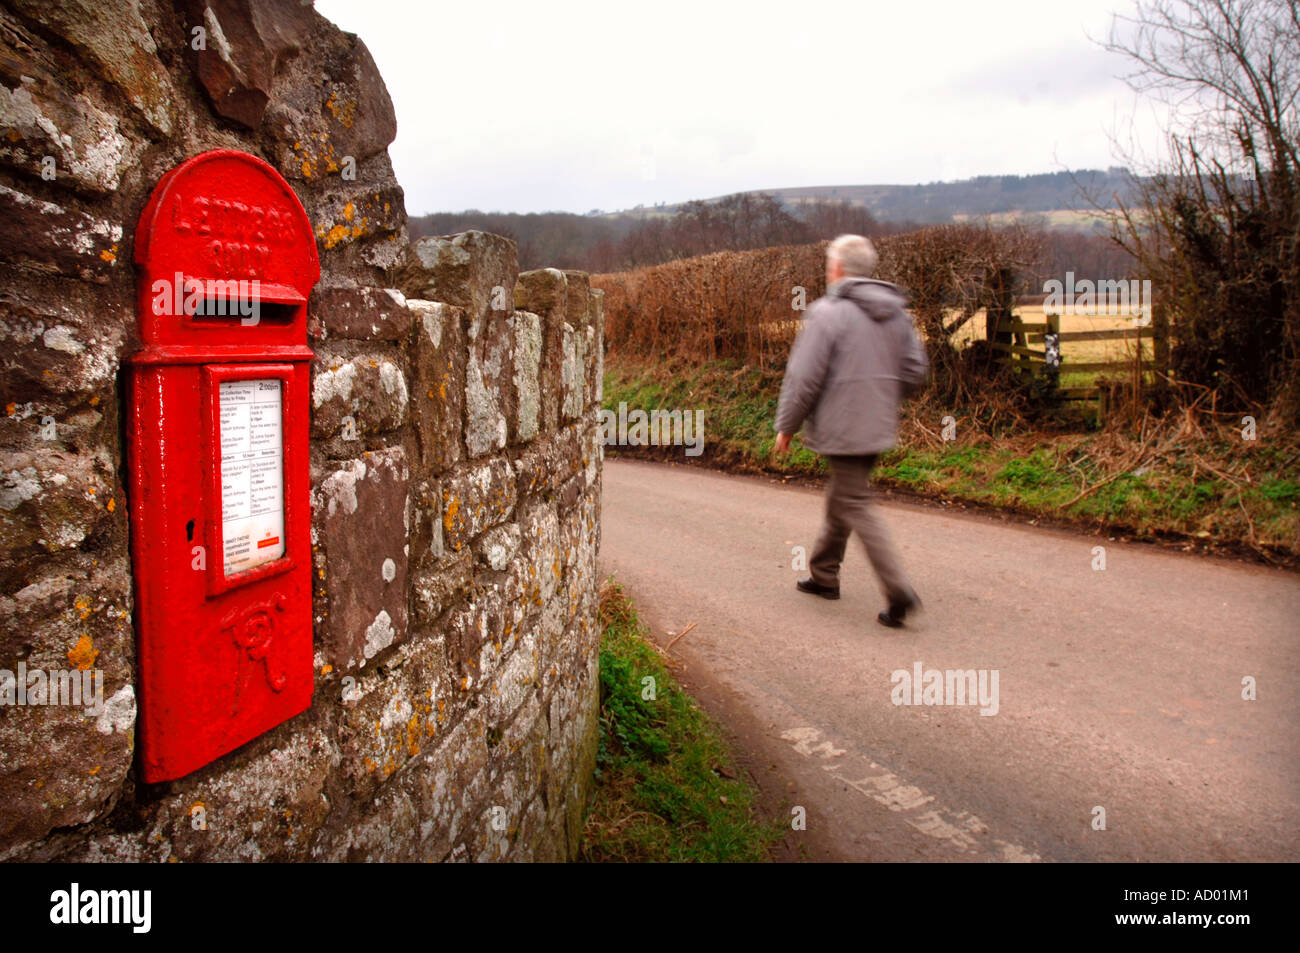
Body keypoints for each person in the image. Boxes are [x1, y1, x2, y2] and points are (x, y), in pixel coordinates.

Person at [773, 234, 929, 628]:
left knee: (855, 500)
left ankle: (899, 591)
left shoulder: (827, 312)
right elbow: (915, 371)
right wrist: (880, 396)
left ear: (838, 270)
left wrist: (786, 427)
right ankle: (824, 574)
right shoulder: (897, 313)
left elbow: (803, 379)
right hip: (877, 424)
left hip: (843, 426)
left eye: (829, 266)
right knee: (845, 494)